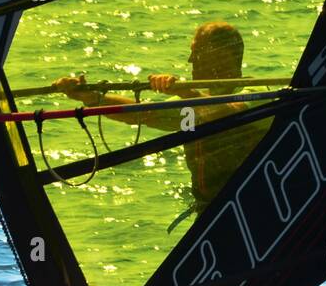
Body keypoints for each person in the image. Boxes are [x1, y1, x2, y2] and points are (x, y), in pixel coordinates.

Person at [53, 21, 269, 219]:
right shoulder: (192, 106)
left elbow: (228, 114)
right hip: (212, 211)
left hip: (256, 205)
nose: (190, 60)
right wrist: (93, 99)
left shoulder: (258, 91)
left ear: (222, 55)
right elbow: (144, 114)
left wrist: (186, 93)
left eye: (197, 52)